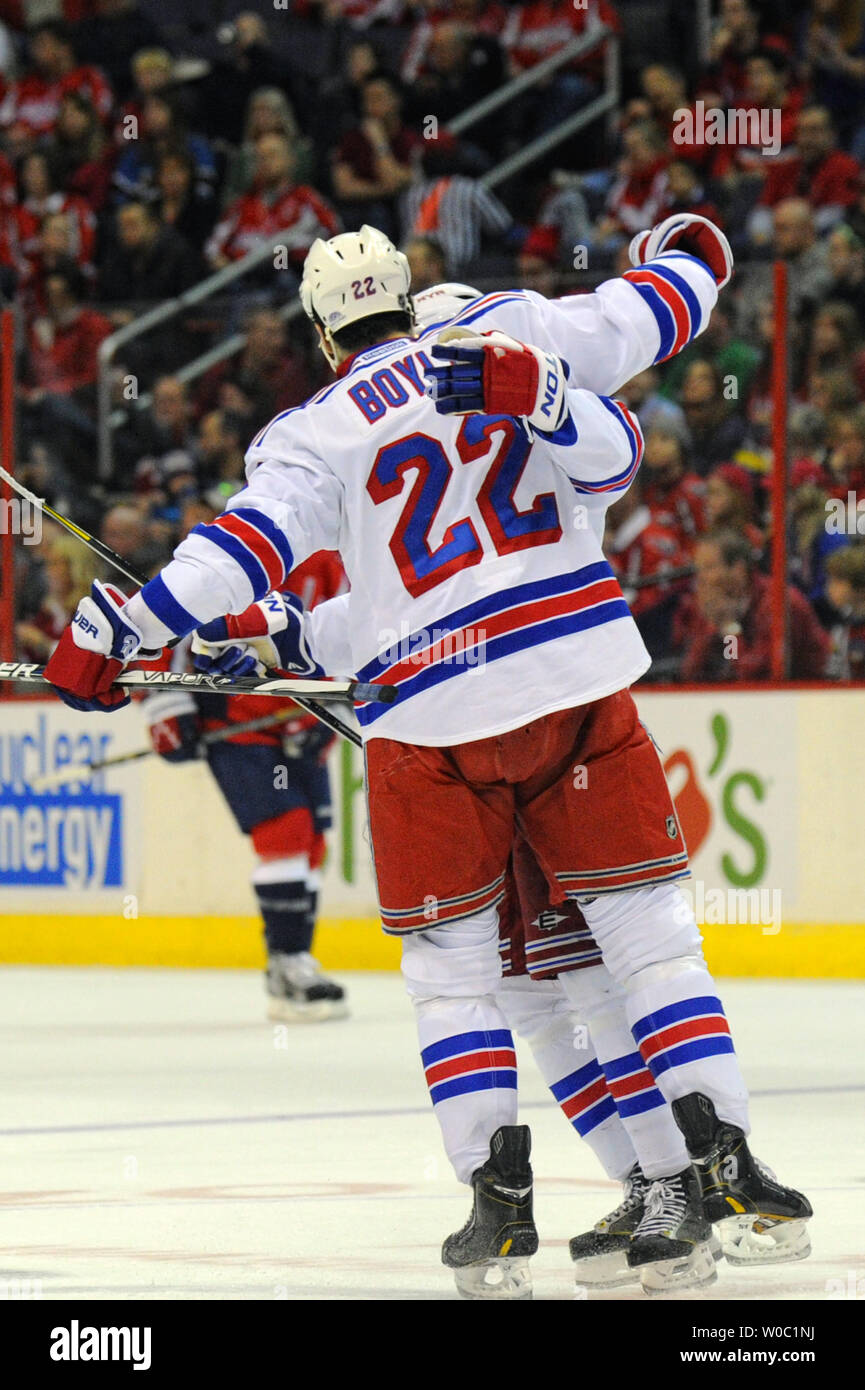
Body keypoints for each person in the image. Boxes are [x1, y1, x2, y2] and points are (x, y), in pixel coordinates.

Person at [43, 215, 811, 1299]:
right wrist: (693, 248)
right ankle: (712, 1168)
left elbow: (243, 553)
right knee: (638, 953)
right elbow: (650, 324)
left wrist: (131, 629)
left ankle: (506, 1213)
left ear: (320, 333)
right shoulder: (512, 327)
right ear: (414, 292)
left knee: (473, 984)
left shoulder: (315, 428)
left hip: (433, 729)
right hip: (571, 685)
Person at [143, 550, 350, 1023]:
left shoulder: (341, 552)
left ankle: (293, 965)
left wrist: (332, 709)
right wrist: (166, 704)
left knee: (312, 844)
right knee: (287, 831)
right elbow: (170, 622)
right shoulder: (243, 545)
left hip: (302, 715)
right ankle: (289, 962)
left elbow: (355, 632)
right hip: (236, 719)